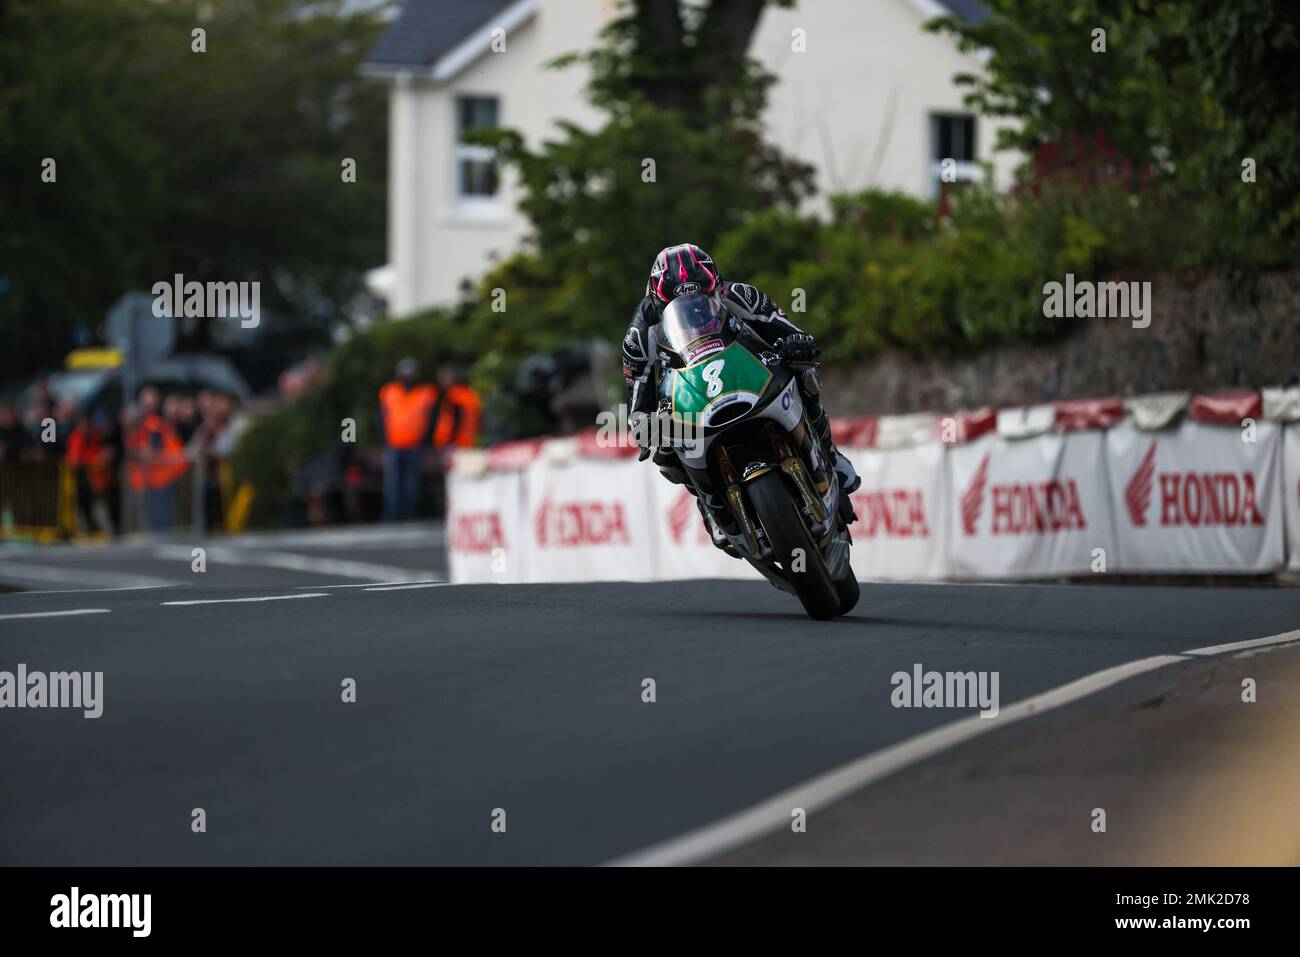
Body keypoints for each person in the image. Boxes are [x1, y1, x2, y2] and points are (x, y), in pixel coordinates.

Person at [622, 243, 860, 544]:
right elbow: (637, 396)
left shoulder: (739, 295)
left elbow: (785, 328)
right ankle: (710, 505)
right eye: (681, 302)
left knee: (803, 374)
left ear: (716, 286)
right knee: (663, 448)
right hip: (687, 394)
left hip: (748, 371)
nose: (694, 307)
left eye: (702, 298)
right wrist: (645, 424)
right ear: (657, 299)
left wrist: (797, 343)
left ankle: (831, 456)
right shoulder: (640, 334)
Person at [378, 358, 435, 522]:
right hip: (394, 443)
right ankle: (392, 516)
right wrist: (384, 438)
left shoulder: (425, 392)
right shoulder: (389, 391)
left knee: (412, 484)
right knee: (393, 483)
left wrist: (427, 439)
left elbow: (432, 418)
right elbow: (382, 417)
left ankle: (410, 515)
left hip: (414, 444)